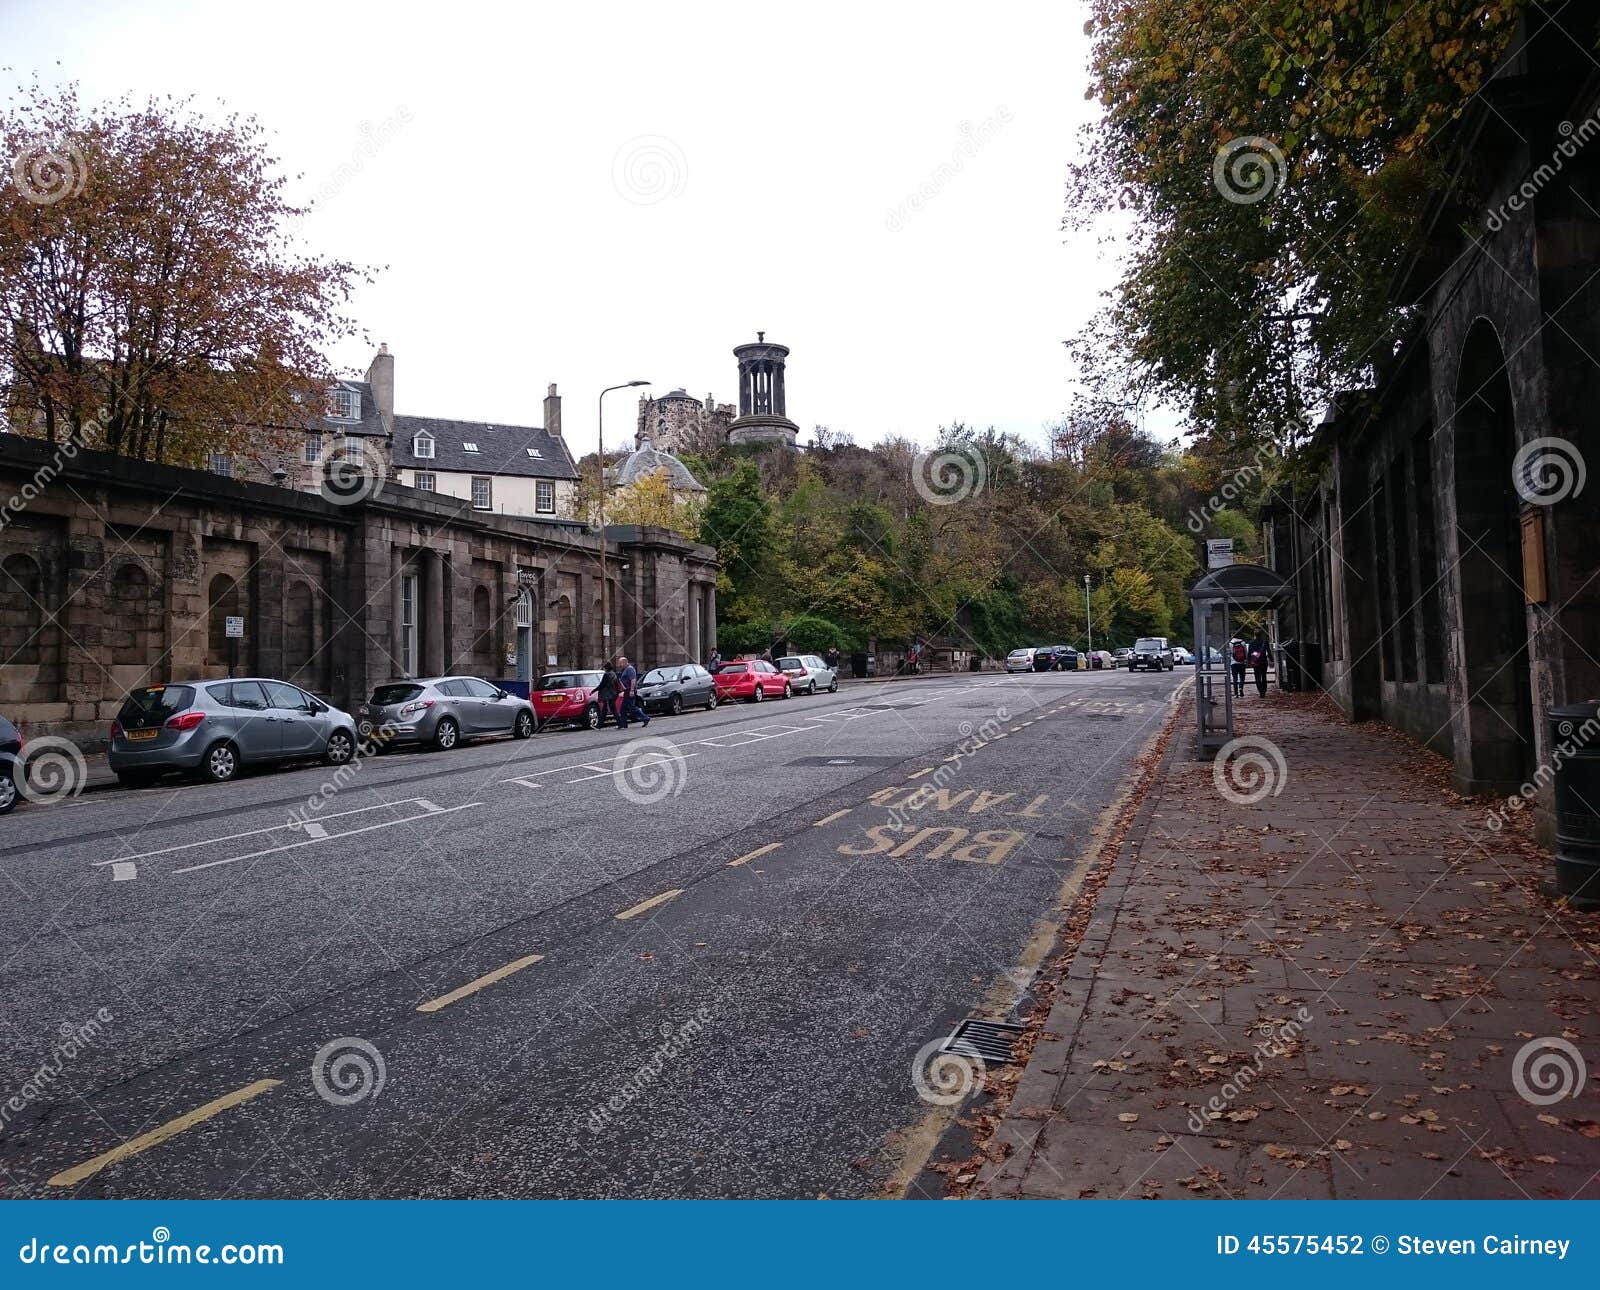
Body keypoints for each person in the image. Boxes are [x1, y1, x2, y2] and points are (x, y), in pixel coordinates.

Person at [615, 655, 649, 730]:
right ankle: (623, 724)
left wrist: (632, 690)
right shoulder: (625, 669)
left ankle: (645, 718)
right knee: (623, 708)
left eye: (620, 663)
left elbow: (633, 680)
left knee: (631, 707)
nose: (619, 665)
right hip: (626, 690)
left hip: (630, 690)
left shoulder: (630, 669)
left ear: (625, 662)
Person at [597, 662, 620, 729]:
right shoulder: (614, 674)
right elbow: (616, 684)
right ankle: (599, 725)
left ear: (606, 668)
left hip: (607, 694)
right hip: (613, 694)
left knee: (607, 710)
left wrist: (594, 690)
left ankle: (599, 725)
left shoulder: (606, 675)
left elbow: (602, 685)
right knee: (611, 709)